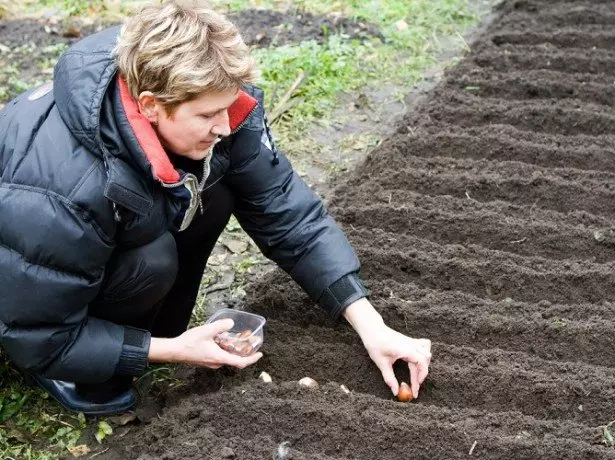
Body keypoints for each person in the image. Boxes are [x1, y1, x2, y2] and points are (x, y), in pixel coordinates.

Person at [0, 0, 431, 415]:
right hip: (27, 300)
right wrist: (172, 352)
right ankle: (81, 379)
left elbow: (289, 213)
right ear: (151, 105)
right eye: (208, 115)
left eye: (228, 107)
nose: (224, 126)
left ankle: (147, 332)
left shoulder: (200, 95)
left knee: (219, 185)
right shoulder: (62, 190)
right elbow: (41, 336)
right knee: (151, 261)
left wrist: (372, 326)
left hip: (68, 249)